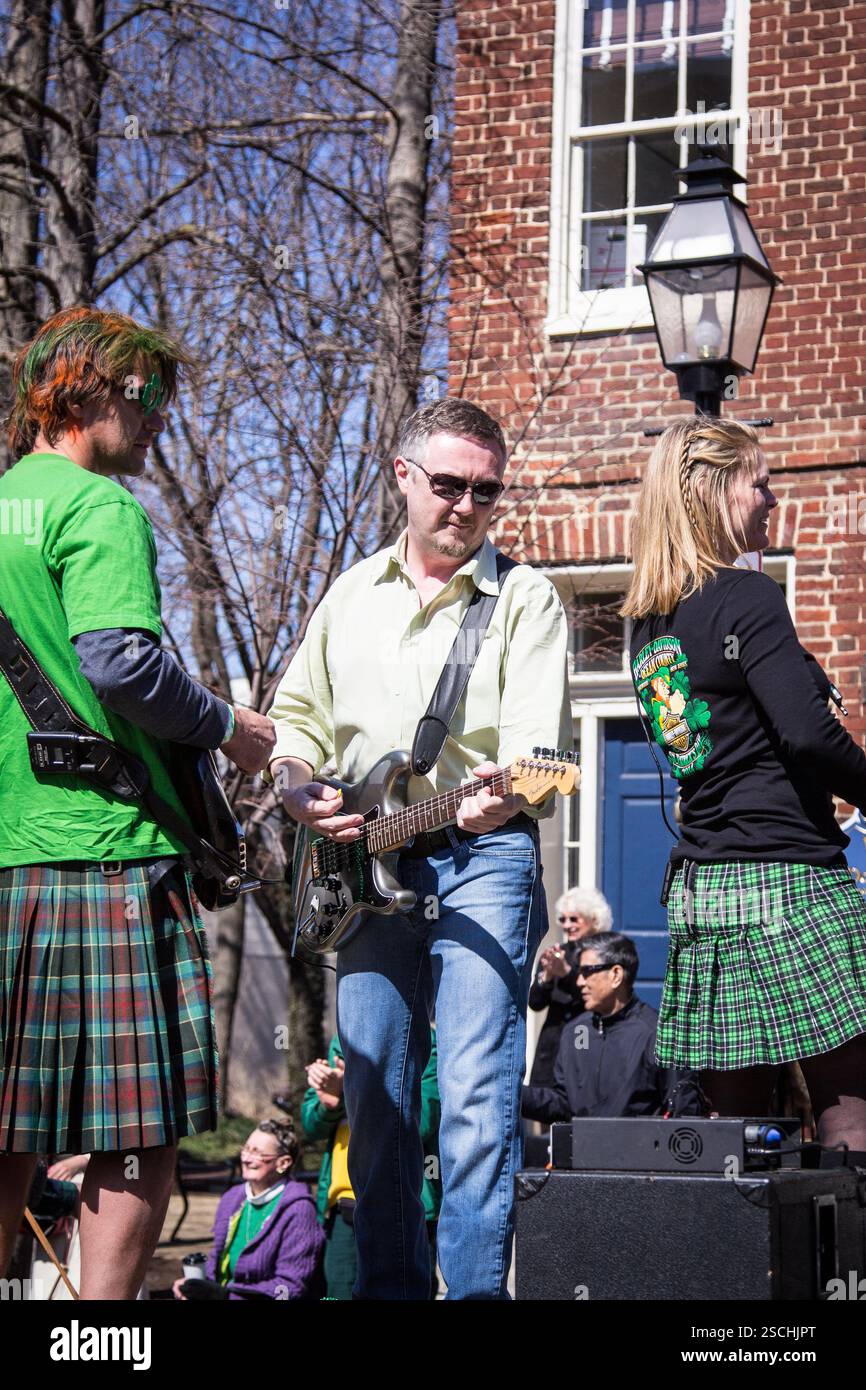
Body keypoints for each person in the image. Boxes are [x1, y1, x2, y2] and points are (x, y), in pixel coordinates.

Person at [268, 397, 572, 1299]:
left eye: (487, 491)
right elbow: (296, 722)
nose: (468, 506)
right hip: (360, 869)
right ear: (403, 477)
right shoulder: (350, 595)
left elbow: (543, 759)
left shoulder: (525, 599)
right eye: (449, 485)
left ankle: (475, 1294)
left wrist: (503, 798)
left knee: (476, 1098)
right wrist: (294, 786)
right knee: (377, 1101)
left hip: (484, 855)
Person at [0, 307, 275, 1300]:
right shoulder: (99, 507)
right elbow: (119, 663)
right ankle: (100, 1333)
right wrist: (226, 726)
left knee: (9, 1127)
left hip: (7, 861)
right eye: (146, 395)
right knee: (133, 1136)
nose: (159, 417)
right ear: (85, 391)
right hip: (107, 852)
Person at [621, 416, 866, 1164]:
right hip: (789, 881)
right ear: (713, 491)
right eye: (759, 483)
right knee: (849, 1114)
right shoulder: (747, 596)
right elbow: (806, 734)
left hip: (706, 888)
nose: (771, 500)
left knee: (734, 1138)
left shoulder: (648, 623)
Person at [302, 1031, 441, 1299]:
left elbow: (421, 1123)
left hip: (405, 1206)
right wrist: (328, 1105)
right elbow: (310, 1125)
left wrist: (350, 1092)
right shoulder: (341, 1042)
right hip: (345, 1206)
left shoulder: (427, 1040)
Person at [522, 932, 701, 1123]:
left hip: (639, 1151)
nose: (579, 981)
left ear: (616, 975)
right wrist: (514, 1095)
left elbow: (684, 1115)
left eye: (587, 971)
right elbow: (563, 1105)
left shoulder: (660, 1035)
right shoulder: (576, 1032)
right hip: (583, 1151)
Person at [172, 1118, 323, 1301]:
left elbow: (289, 1287)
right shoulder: (232, 1198)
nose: (246, 1158)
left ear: (283, 1163)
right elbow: (218, 1262)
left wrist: (226, 1296)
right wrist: (196, 1287)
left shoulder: (300, 1210)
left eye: (257, 1153)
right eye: (246, 1149)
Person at [528, 886, 613, 1086]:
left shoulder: (606, 953)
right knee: (545, 1102)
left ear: (594, 919)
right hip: (553, 1041)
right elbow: (535, 1002)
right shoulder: (555, 954)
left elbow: (599, 998)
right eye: (563, 919)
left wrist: (566, 973)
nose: (567, 925)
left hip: (586, 1036)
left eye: (574, 919)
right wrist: (547, 977)